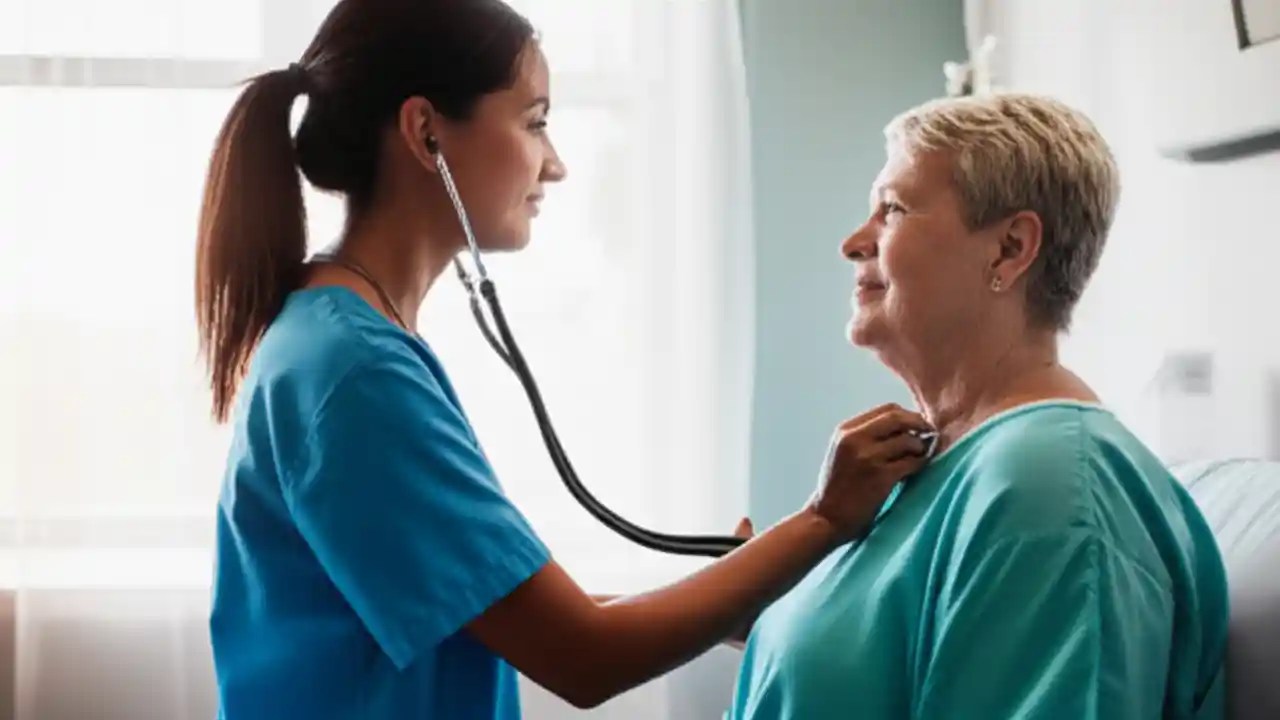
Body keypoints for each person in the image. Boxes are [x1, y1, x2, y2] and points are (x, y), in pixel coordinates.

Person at [194, 1, 934, 717]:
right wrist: (823, 519)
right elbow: (582, 657)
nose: (555, 165)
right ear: (426, 133)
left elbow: (500, 617)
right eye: (535, 122)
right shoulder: (356, 375)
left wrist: (728, 596)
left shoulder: (334, 340)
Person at [729, 92, 1230, 719]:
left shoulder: (1052, 487)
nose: (853, 243)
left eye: (892, 210)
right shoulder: (945, 468)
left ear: (1009, 249)